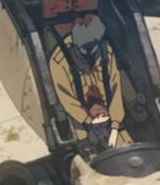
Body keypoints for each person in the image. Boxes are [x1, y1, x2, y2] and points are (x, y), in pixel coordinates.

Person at [49, 14, 132, 154]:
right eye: (84, 48)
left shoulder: (106, 52)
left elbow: (115, 88)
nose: (89, 52)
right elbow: (66, 99)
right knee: (86, 152)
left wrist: (115, 125)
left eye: (93, 47)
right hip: (79, 118)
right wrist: (88, 119)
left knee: (125, 146)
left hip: (107, 114)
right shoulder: (58, 62)